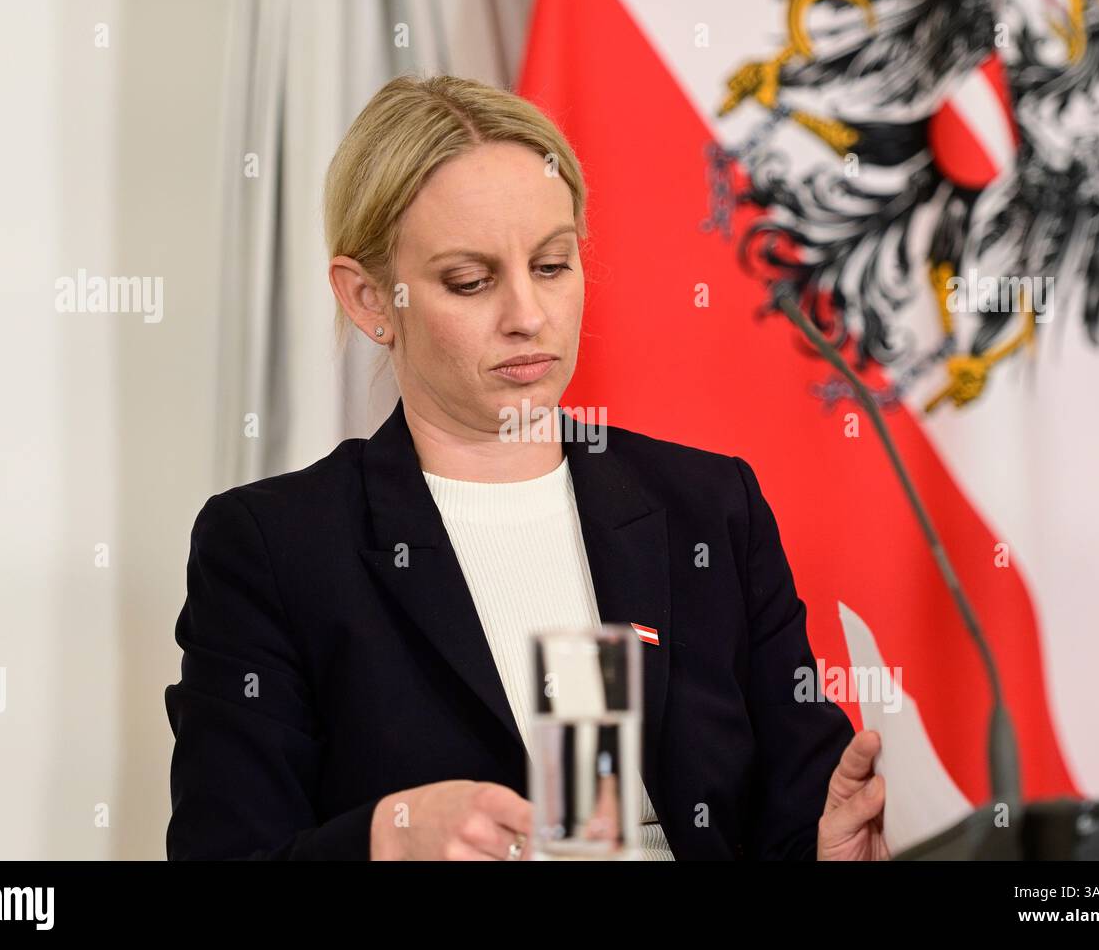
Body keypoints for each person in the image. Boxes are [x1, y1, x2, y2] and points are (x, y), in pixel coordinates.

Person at [165, 73, 888, 861]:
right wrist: (385, 839)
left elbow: (796, 812)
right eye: (469, 281)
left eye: (551, 266)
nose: (527, 317)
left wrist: (829, 845)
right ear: (371, 299)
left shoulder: (710, 508)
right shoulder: (275, 547)